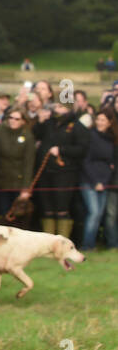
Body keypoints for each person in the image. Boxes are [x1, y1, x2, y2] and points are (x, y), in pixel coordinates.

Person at [33, 100, 88, 238]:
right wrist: (40, 121)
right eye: (56, 106)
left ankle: (62, 241)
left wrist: (62, 150)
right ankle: (48, 242)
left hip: (65, 173)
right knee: (47, 208)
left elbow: (82, 149)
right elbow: (36, 134)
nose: (56, 109)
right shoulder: (49, 123)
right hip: (45, 171)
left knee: (62, 208)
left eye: (60, 107)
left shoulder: (77, 126)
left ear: (69, 109)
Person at [79, 108, 115, 251]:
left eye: (103, 120)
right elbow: (86, 161)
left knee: (100, 214)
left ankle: (92, 243)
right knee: (93, 212)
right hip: (89, 180)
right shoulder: (90, 136)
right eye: (98, 119)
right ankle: (87, 245)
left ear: (109, 123)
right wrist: (96, 182)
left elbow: (110, 163)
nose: (100, 123)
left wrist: (104, 181)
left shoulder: (111, 139)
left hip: (105, 180)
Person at [0, 107, 35, 222]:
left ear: (23, 121)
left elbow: (28, 163)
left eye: (17, 119)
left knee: (17, 215)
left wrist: (26, 188)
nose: (13, 121)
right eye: (11, 118)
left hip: (19, 181)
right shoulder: (0, 130)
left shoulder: (28, 136)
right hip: (2, 179)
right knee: (3, 213)